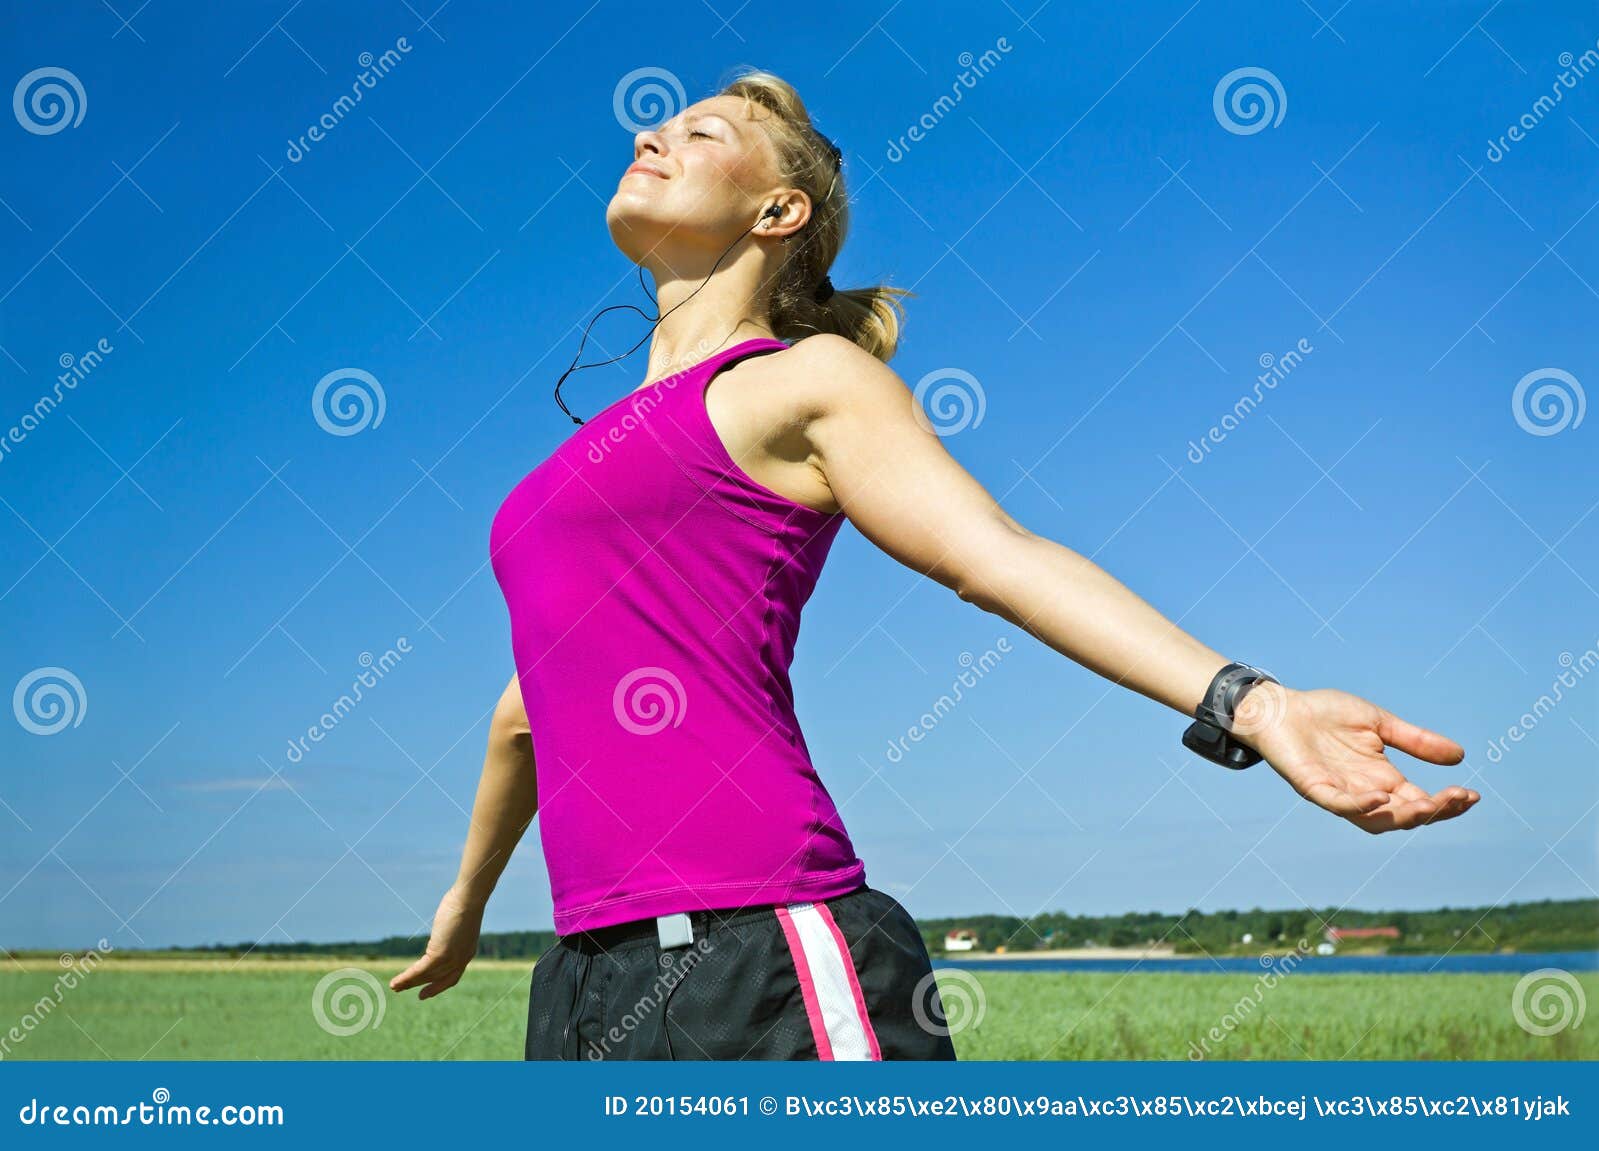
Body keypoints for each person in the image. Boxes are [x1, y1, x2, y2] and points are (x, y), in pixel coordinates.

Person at [390, 69, 1479, 1061]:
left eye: (700, 129)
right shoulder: (573, 465)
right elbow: (531, 705)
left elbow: (993, 555)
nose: (652, 132)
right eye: (658, 122)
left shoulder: (803, 380)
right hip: (583, 972)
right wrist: (467, 899)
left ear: (779, 213)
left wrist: (1253, 703)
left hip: (761, 942)